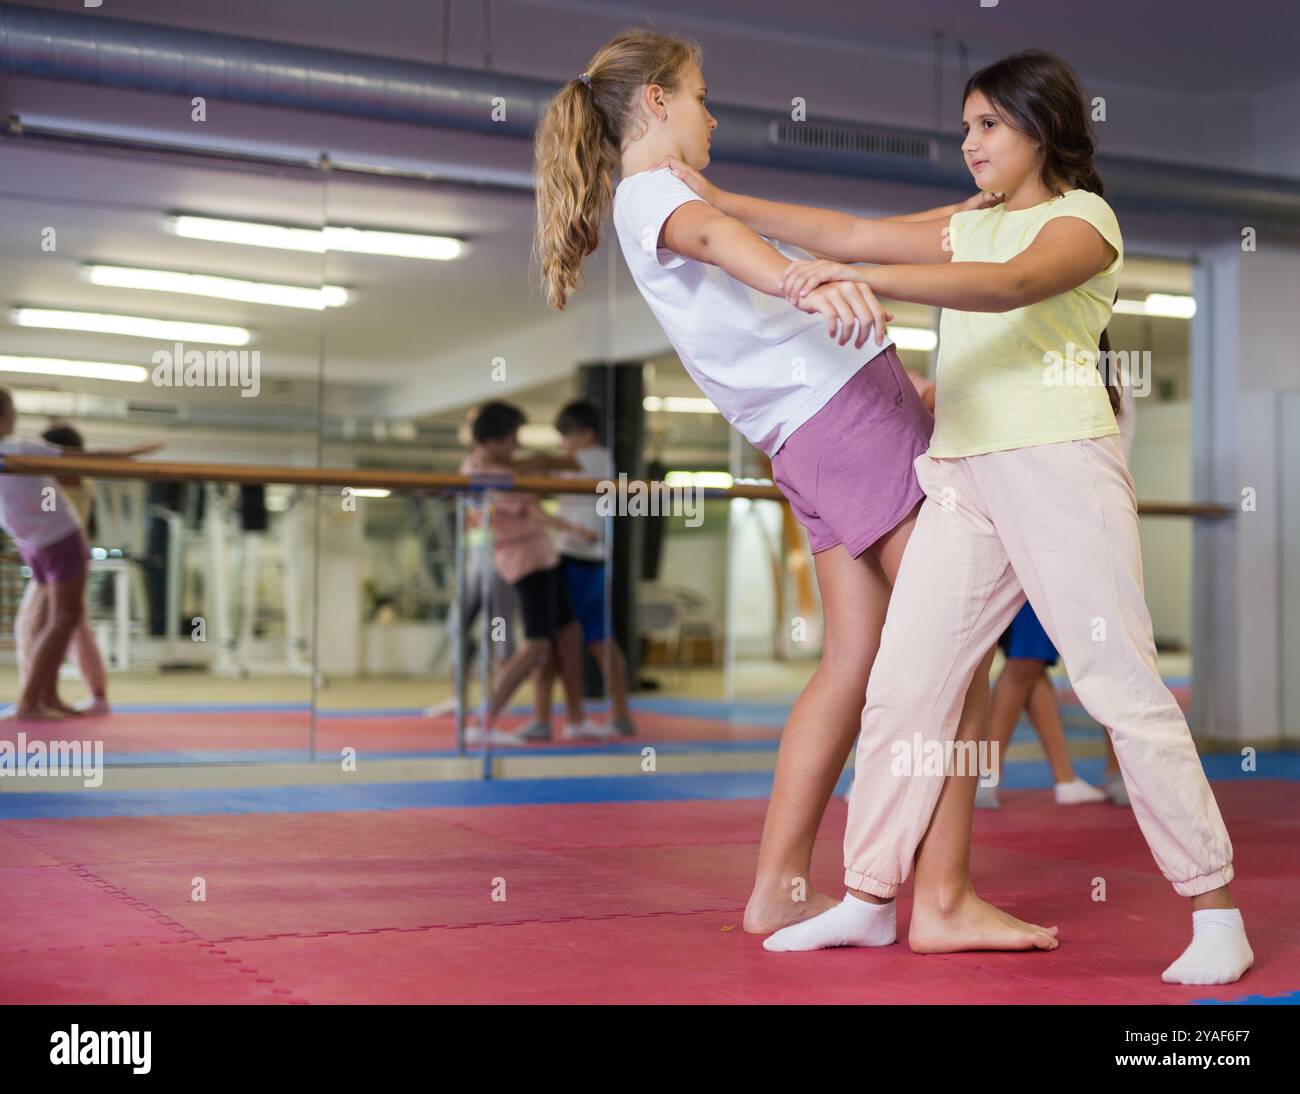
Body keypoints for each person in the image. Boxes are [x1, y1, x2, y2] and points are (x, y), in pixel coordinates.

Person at [731, 50, 1249, 985]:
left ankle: (1215, 909)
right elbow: (848, 226)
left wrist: (862, 278)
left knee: (1118, 685)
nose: (967, 144)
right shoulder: (969, 224)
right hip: (961, 478)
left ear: (1040, 129)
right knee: (905, 684)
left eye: (987, 126)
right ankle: (868, 896)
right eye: (965, 127)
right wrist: (719, 205)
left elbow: (1008, 287)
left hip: (1057, 469)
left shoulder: (1081, 220)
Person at [534, 28, 1054, 951]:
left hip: (811, 438)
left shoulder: (658, 196)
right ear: (656, 101)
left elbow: (759, 237)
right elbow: (720, 239)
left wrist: (899, 315)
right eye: (700, 96)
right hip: (845, 421)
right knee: (960, 646)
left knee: (853, 662)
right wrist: (803, 281)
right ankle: (942, 901)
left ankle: (780, 891)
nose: (712, 114)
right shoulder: (659, 194)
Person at [0, 388, 160, 719]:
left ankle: (49, 695)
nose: (16, 418)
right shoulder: (21, 449)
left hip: (32, 544)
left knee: (58, 622)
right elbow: (87, 456)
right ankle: (31, 702)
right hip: (60, 540)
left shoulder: (22, 451)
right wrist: (129, 452)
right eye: (13, 411)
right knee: (65, 621)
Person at [458, 400, 605, 743]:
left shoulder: (499, 468)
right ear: (493, 441)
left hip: (544, 558)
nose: (516, 446)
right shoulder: (484, 473)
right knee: (537, 645)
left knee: (569, 635)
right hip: (526, 564)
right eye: (512, 439)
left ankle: (575, 719)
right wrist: (573, 527)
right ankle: (483, 722)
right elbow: (532, 512)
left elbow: (532, 504)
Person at [519, 399, 636, 741]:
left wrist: (502, 462)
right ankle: (602, 715)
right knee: (579, 642)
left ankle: (562, 717)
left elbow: (544, 462)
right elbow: (546, 475)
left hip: (579, 559)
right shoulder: (581, 461)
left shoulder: (595, 456)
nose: (562, 445)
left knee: (575, 641)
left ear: (586, 434)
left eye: (567, 437)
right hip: (580, 556)